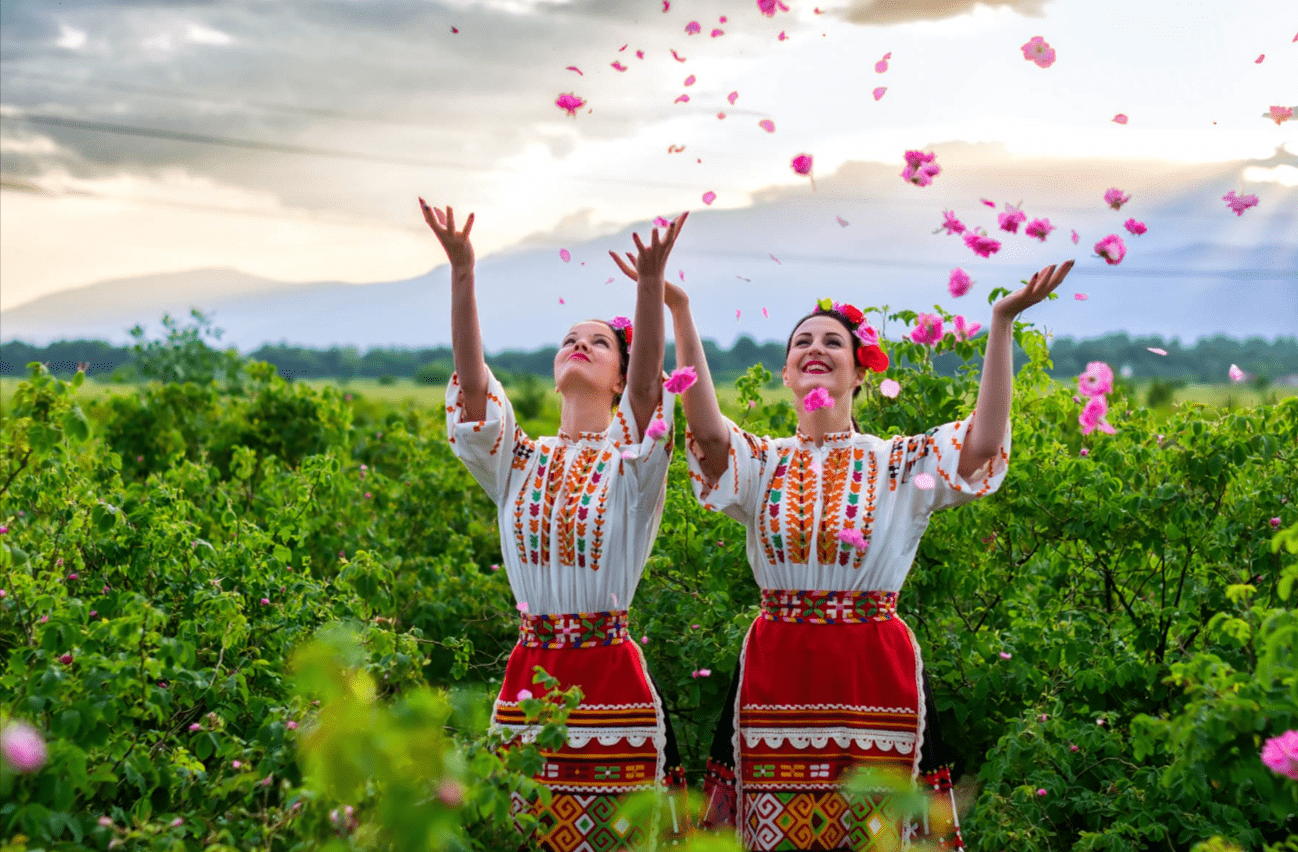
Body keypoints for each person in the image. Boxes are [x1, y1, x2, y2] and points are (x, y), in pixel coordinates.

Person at [640, 261, 1073, 851]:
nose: (816, 348)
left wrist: (1000, 323)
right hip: (778, 671)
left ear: (861, 371)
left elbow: (984, 443)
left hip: (873, 671)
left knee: (880, 832)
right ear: (788, 373)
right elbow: (710, 436)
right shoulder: (763, 462)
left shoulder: (897, 462)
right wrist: (680, 311)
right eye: (803, 342)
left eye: (833, 341)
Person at [423, 199, 691, 851]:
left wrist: (650, 288)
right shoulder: (520, 459)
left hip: (610, 683)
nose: (579, 344)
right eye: (570, 338)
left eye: (599, 341)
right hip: (530, 682)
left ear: (620, 375)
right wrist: (463, 272)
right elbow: (477, 394)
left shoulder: (630, 461)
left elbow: (652, 397)